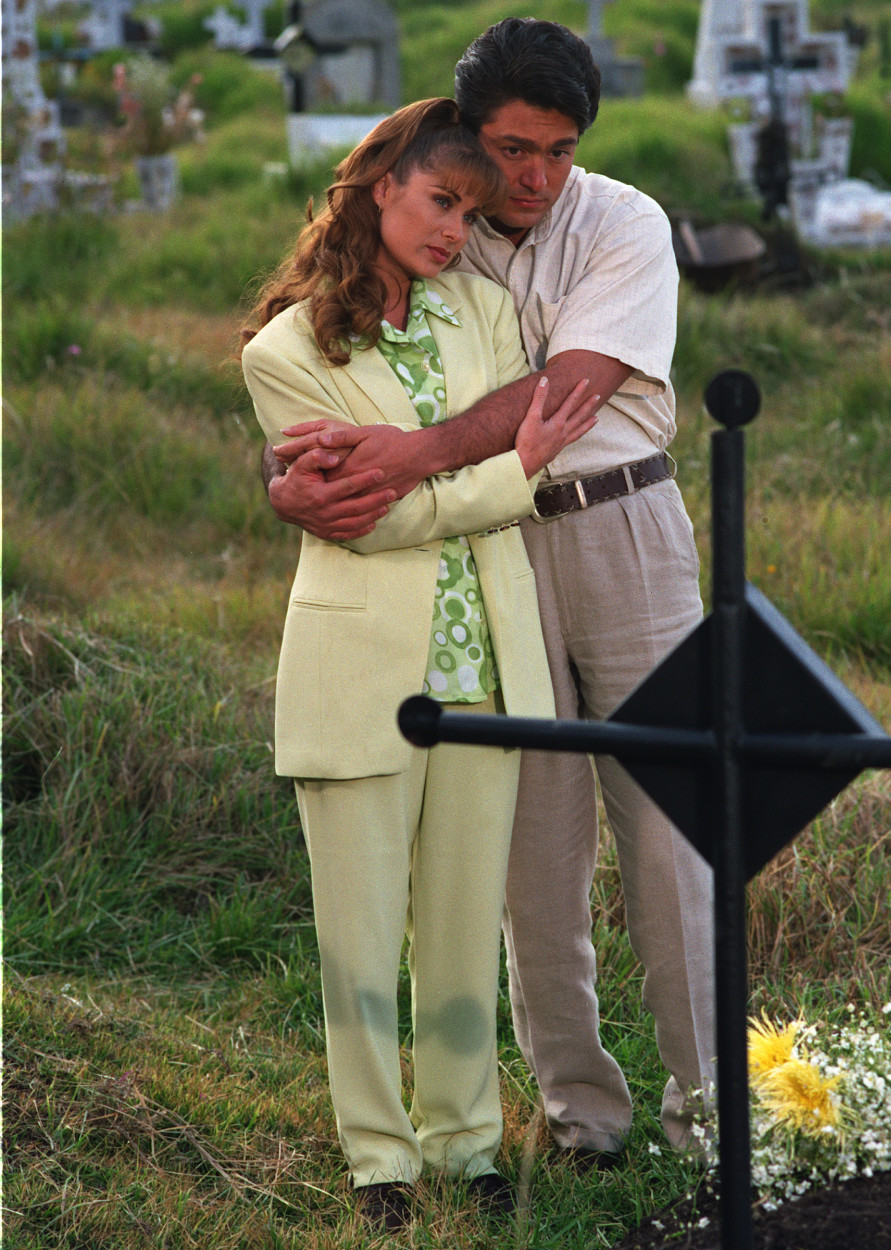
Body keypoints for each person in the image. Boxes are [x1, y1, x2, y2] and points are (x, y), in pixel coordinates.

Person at [263, 19, 716, 1167]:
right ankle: (584, 1118)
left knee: (671, 828)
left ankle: (710, 1115)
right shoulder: (443, 221)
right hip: (490, 552)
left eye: (557, 149)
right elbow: (337, 355)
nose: (533, 178)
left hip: (620, 526)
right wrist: (289, 471)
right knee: (532, 850)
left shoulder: (619, 223)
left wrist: (406, 458)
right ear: (468, 133)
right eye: (513, 148)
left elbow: (566, 390)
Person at [241, 96, 600, 1231]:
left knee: (458, 924)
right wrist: (508, 479)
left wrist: (453, 478)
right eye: (442, 201)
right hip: (357, 671)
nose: (456, 229)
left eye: (472, 210)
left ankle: (467, 1140)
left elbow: (422, 483)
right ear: (380, 185)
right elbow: (359, 519)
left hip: (486, 675)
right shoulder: (285, 349)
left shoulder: (483, 311)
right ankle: (377, 1161)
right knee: (358, 928)